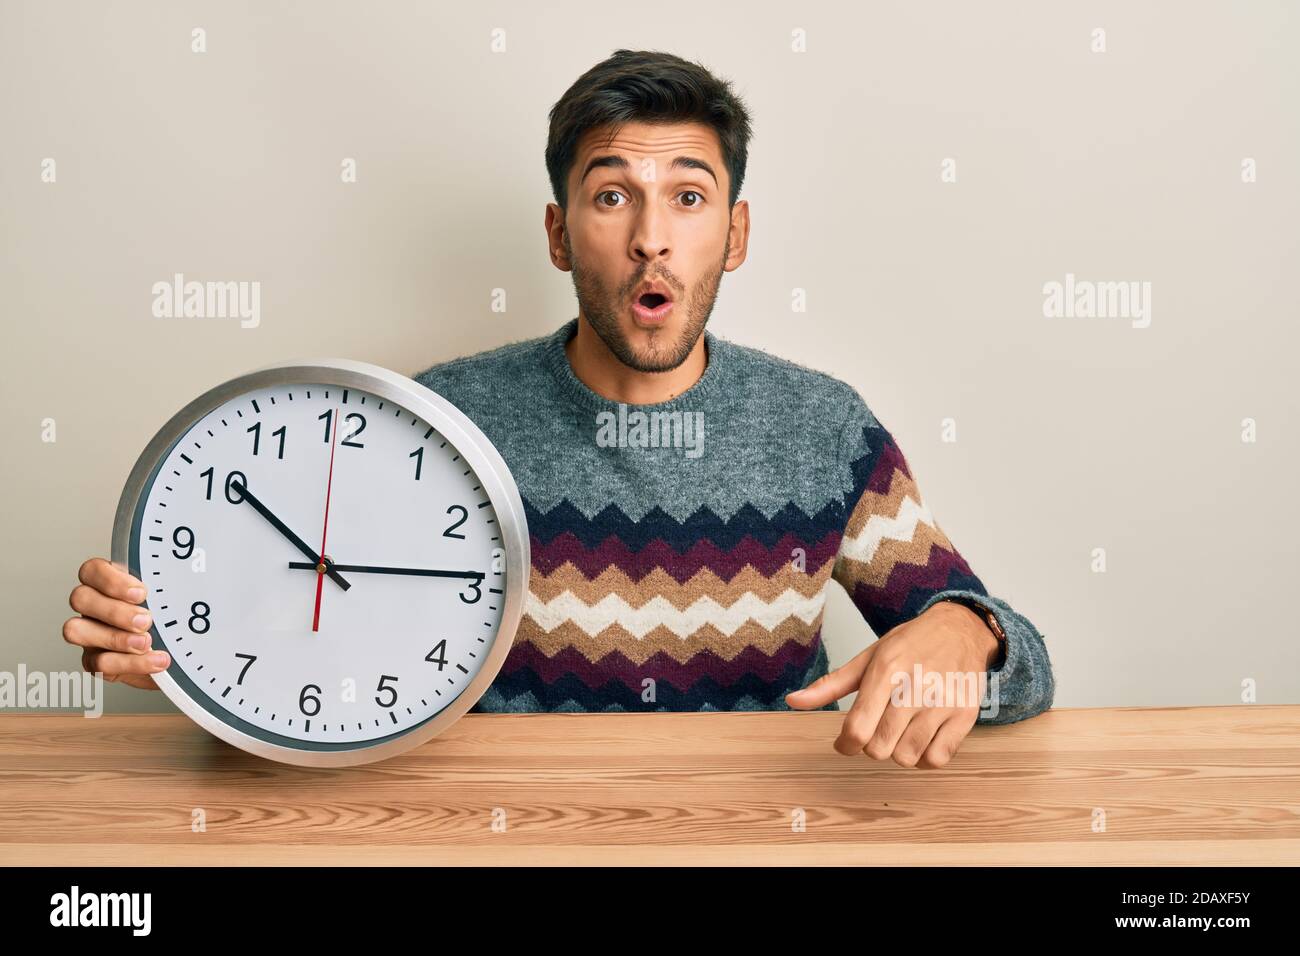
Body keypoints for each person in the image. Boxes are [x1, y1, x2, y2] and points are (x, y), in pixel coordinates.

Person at [63, 49, 1054, 769]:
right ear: (557, 230)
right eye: (612, 195)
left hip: (758, 835)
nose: (652, 238)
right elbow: (330, 646)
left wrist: (964, 634)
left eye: (689, 198)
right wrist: (190, 656)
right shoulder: (436, 424)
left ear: (736, 233)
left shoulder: (821, 429)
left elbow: (1025, 665)